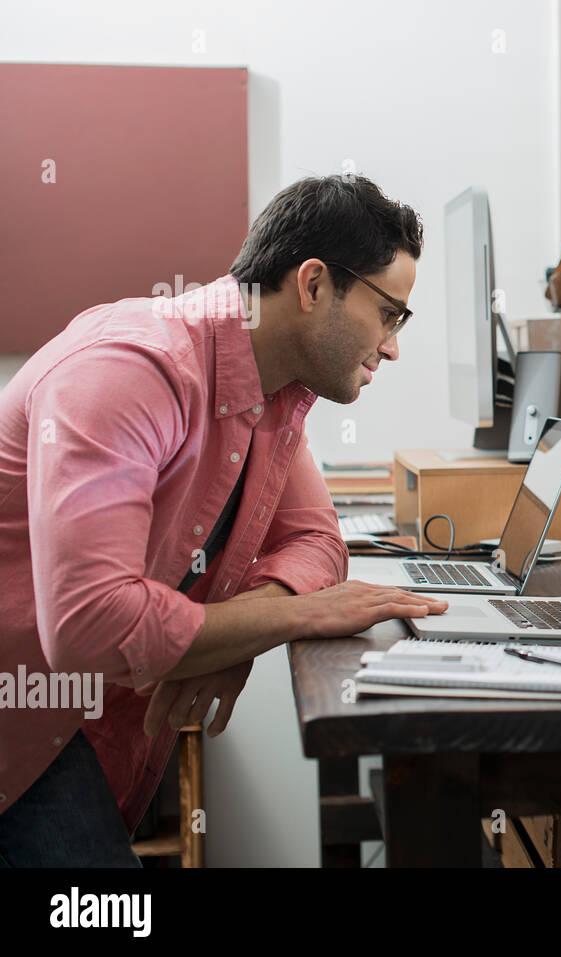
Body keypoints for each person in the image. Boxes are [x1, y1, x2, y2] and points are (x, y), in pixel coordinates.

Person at [0, 175, 448, 866]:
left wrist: (230, 639)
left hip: (93, 720)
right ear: (313, 285)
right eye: (391, 314)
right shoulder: (130, 369)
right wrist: (297, 616)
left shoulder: (274, 389)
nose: (392, 347)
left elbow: (317, 541)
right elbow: (88, 621)